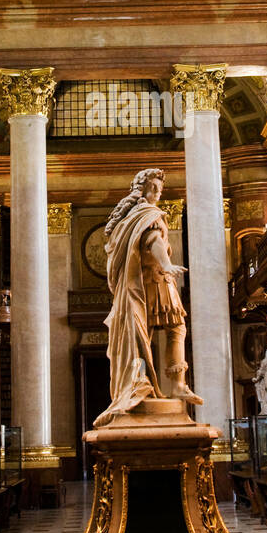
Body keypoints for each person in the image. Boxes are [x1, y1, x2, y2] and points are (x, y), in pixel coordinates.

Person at [96, 168, 203, 426]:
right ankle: (172, 384)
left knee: (148, 333)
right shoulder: (148, 215)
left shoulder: (132, 217)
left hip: (150, 282)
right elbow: (153, 240)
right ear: (141, 190)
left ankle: (142, 382)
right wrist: (166, 264)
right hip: (154, 281)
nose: (156, 193)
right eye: (152, 188)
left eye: (159, 189)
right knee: (172, 329)